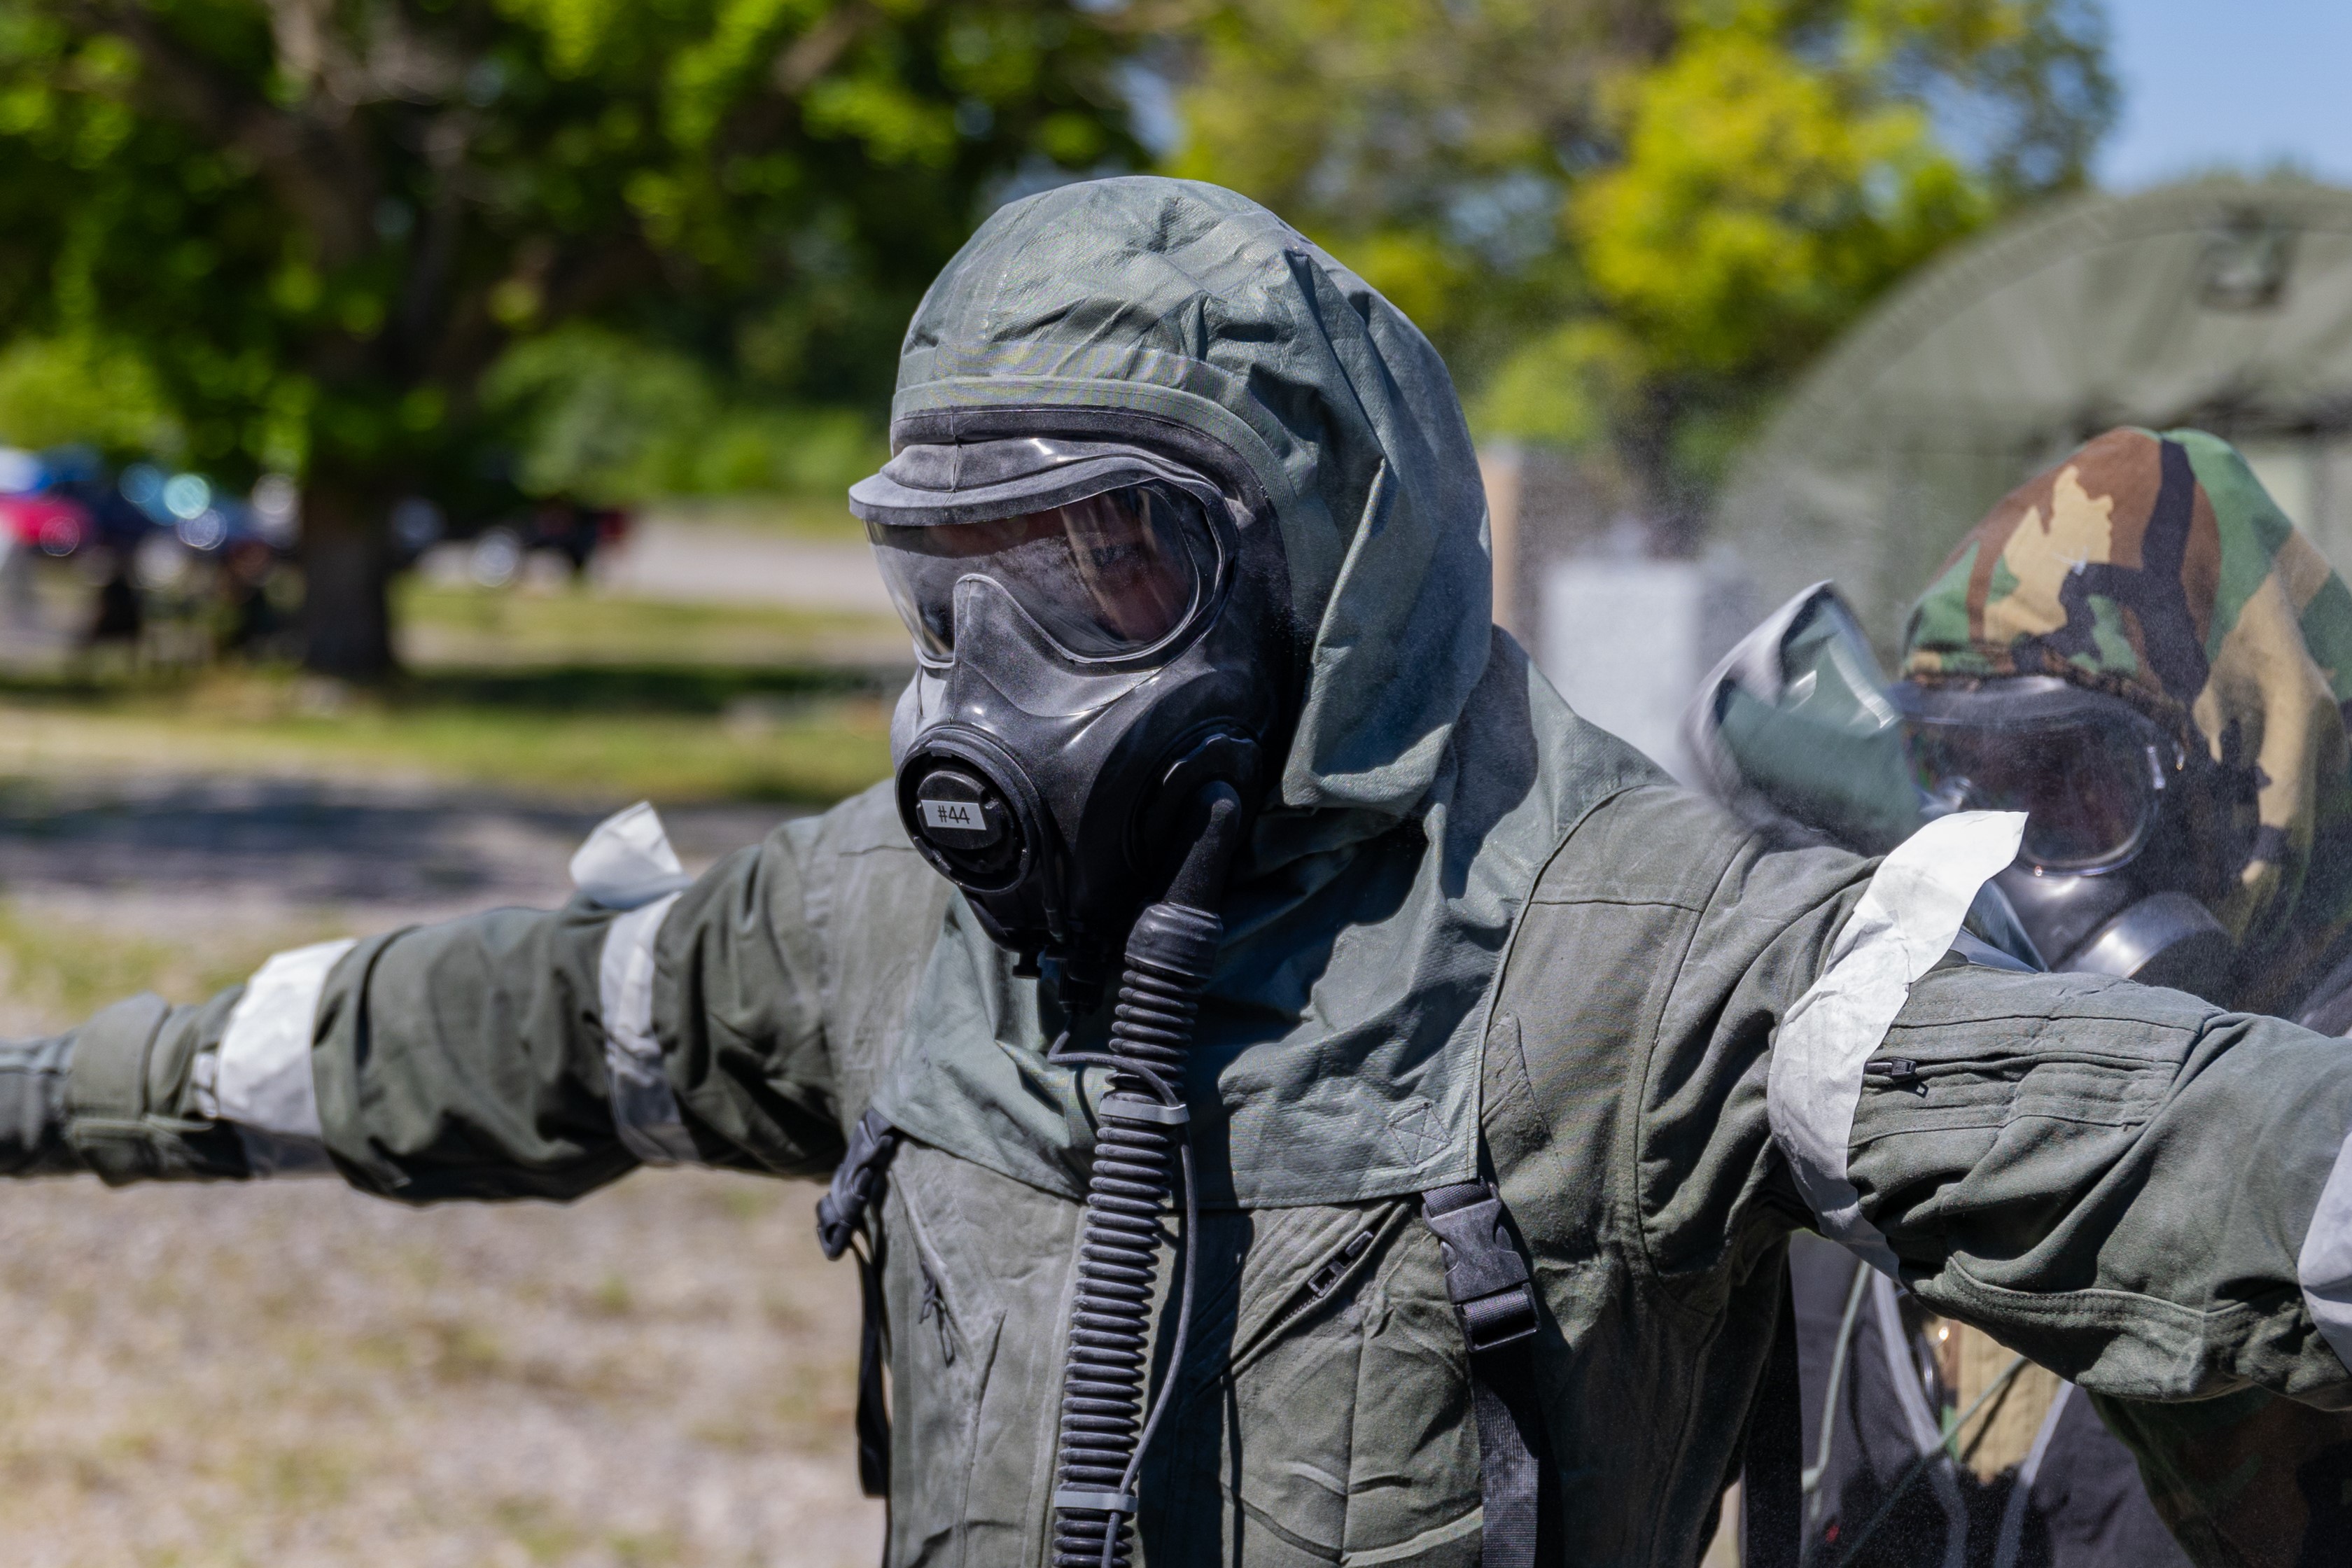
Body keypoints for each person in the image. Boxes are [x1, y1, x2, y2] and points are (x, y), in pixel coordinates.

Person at [6, 181, 2352, 1568]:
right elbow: (492, 1030)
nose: (988, 683)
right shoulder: (888, 924)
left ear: (1320, 576)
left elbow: (2178, 1157)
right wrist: (47, 1089)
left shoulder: (1635, 965)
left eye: (1098, 570)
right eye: (951, 588)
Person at [1687, 427, 2352, 1564]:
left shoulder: (2325, 1160)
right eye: (1960, 787)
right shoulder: (1866, 1149)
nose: (1996, 865)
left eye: (2065, 792)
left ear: (2244, 802)